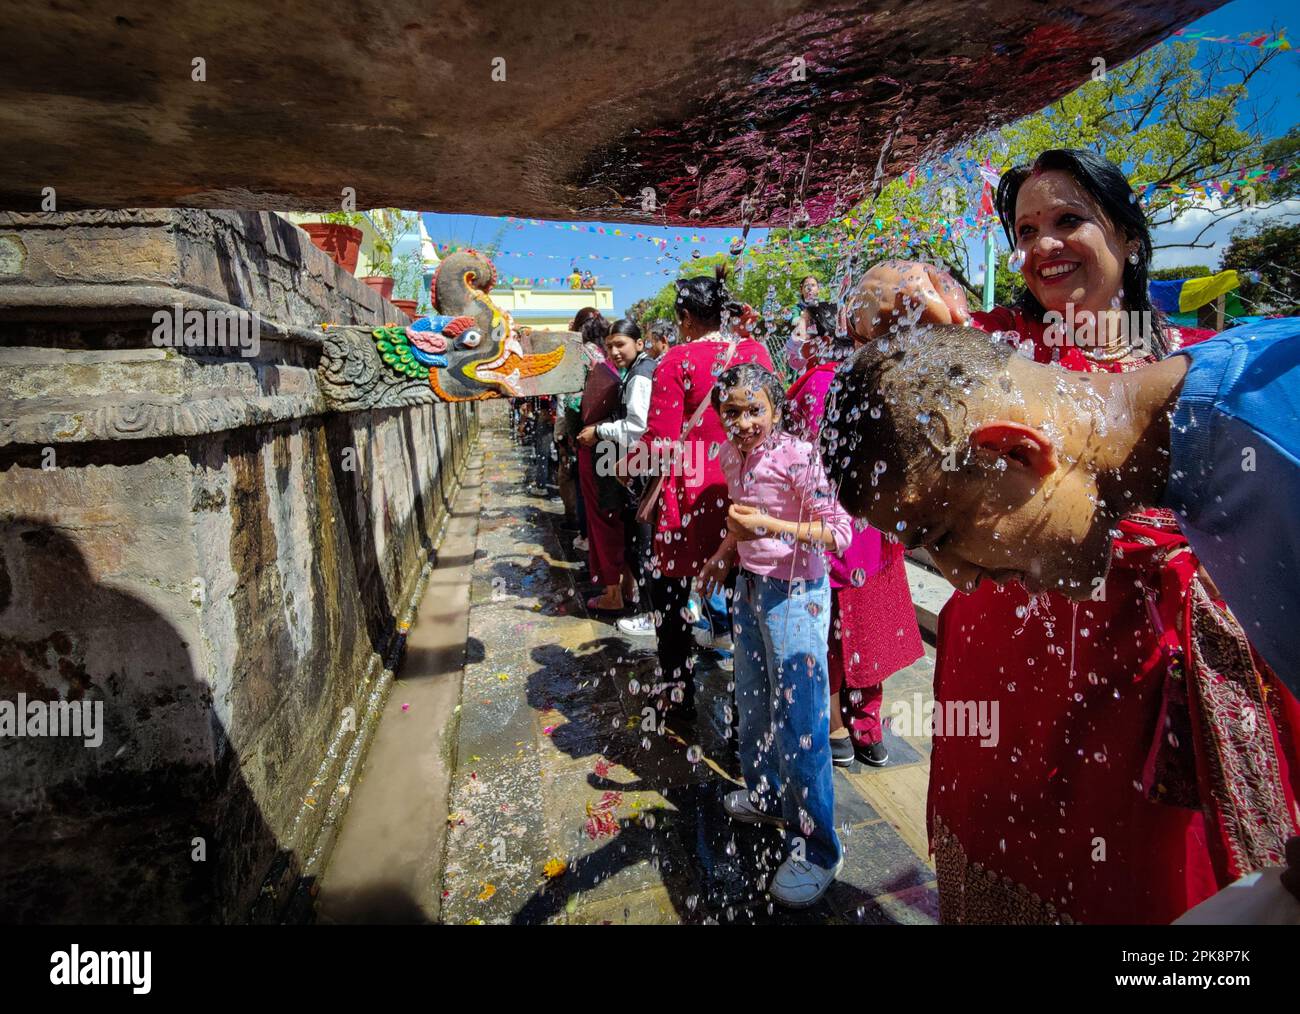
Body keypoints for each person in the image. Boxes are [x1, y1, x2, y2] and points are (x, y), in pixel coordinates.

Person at [840, 147, 1300, 924]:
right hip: (1025, 660)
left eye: (1067, 220)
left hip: (1182, 663)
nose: (1042, 246)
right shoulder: (1004, 349)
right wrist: (901, 285)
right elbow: (874, 320)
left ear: (1128, 234)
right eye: (1025, 231)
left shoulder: (1215, 368)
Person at [697, 361, 851, 906]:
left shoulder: (798, 456)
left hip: (798, 599)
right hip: (752, 590)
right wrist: (722, 554)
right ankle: (766, 795)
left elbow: (838, 532)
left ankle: (818, 848)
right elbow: (742, 521)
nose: (741, 422)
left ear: (777, 410)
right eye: (731, 411)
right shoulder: (730, 453)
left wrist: (768, 528)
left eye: (753, 409)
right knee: (755, 705)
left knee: (801, 723)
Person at [784, 301, 922, 768]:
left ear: (821, 335)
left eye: (801, 329)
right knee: (866, 628)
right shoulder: (874, 376)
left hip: (832, 528)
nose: (795, 337)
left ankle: (837, 728)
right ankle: (867, 727)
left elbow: (802, 461)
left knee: (835, 630)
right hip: (873, 528)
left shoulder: (818, 383)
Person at [632, 265, 773, 720]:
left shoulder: (674, 361)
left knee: (669, 600)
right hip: (744, 495)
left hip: (690, 499)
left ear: (687, 317)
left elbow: (660, 443)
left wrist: (625, 465)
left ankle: (677, 694)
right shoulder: (754, 352)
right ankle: (745, 712)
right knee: (744, 606)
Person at [576, 319, 656, 631]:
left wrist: (598, 429)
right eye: (610, 346)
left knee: (640, 538)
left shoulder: (639, 375)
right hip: (631, 464)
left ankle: (649, 612)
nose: (614, 351)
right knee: (636, 535)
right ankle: (638, 600)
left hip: (632, 463)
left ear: (640, 343)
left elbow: (636, 427)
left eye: (620, 344)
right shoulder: (636, 370)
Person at [783, 275, 822, 376]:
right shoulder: (797, 308)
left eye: (813, 285)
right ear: (801, 290)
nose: (809, 288)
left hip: (818, 349)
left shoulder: (822, 307)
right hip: (800, 351)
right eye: (806, 286)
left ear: (818, 289)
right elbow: (795, 321)